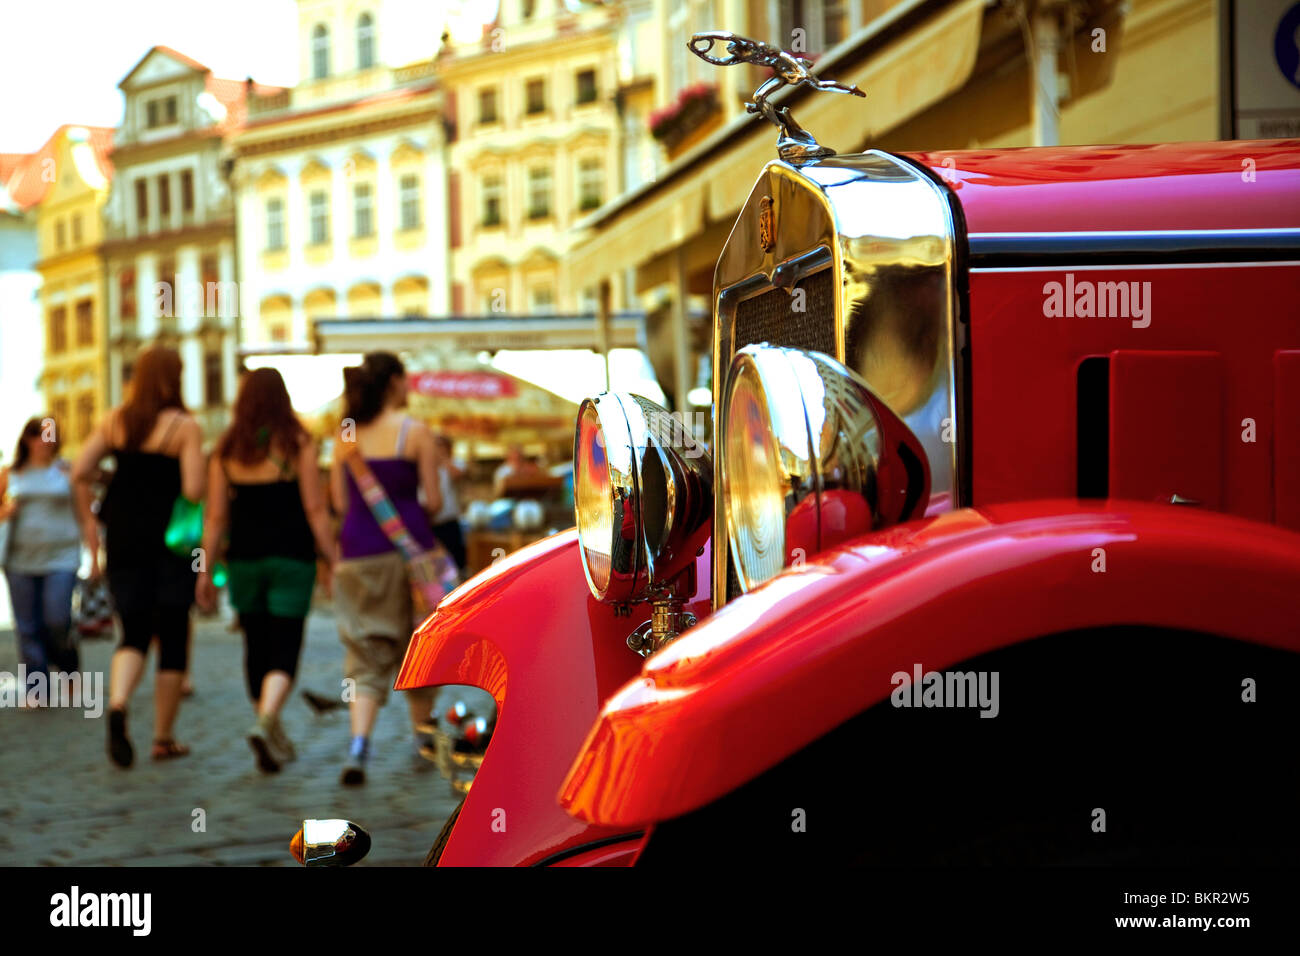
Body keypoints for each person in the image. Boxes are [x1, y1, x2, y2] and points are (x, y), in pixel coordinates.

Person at [196, 367, 337, 773]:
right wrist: (330, 554)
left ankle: (266, 724)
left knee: (255, 645)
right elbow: (314, 508)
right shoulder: (297, 444)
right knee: (284, 646)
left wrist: (204, 570)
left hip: (243, 560)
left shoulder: (226, 448)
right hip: (291, 557)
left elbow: (216, 517)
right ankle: (266, 721)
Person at [73, 345, 204, 767]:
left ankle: (117, 705)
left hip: (124, 537)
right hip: (170, 541)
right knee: (172, 633)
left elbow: (78, 470)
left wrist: (112, 476)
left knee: (132, 631)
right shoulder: (183, 426)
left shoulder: (114, 420)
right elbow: (194, 490)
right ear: (174, 377)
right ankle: (163, 738)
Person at [330, 351, 442, 785]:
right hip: (413, 553)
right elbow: (433, 500)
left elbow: (340, 503)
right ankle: (424, 737)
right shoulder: (416, 433)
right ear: (394, 382)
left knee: (366, 651)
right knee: (419, 643)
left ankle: (359, 743)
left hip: (359, 553)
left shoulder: (346, 435)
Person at [0, 417, 82, 693]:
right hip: (19, 561)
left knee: (56, 618)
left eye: (51, 436)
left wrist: (94, 555)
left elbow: (86, 516)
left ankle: (68, 663)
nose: (45, 442)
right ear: (28, 439)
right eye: (40, 435)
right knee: (27, 626)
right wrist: (5, 513)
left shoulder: (67, 471)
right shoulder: (11, 474)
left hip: (62, 557)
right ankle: (38, 688)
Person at [430, 434, 467, 572]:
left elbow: (457, 475)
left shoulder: (456, 462)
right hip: (432, 522)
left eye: (440, 445)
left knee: (456, 562)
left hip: (449, 520)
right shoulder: (428, 465)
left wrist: (443, 459)